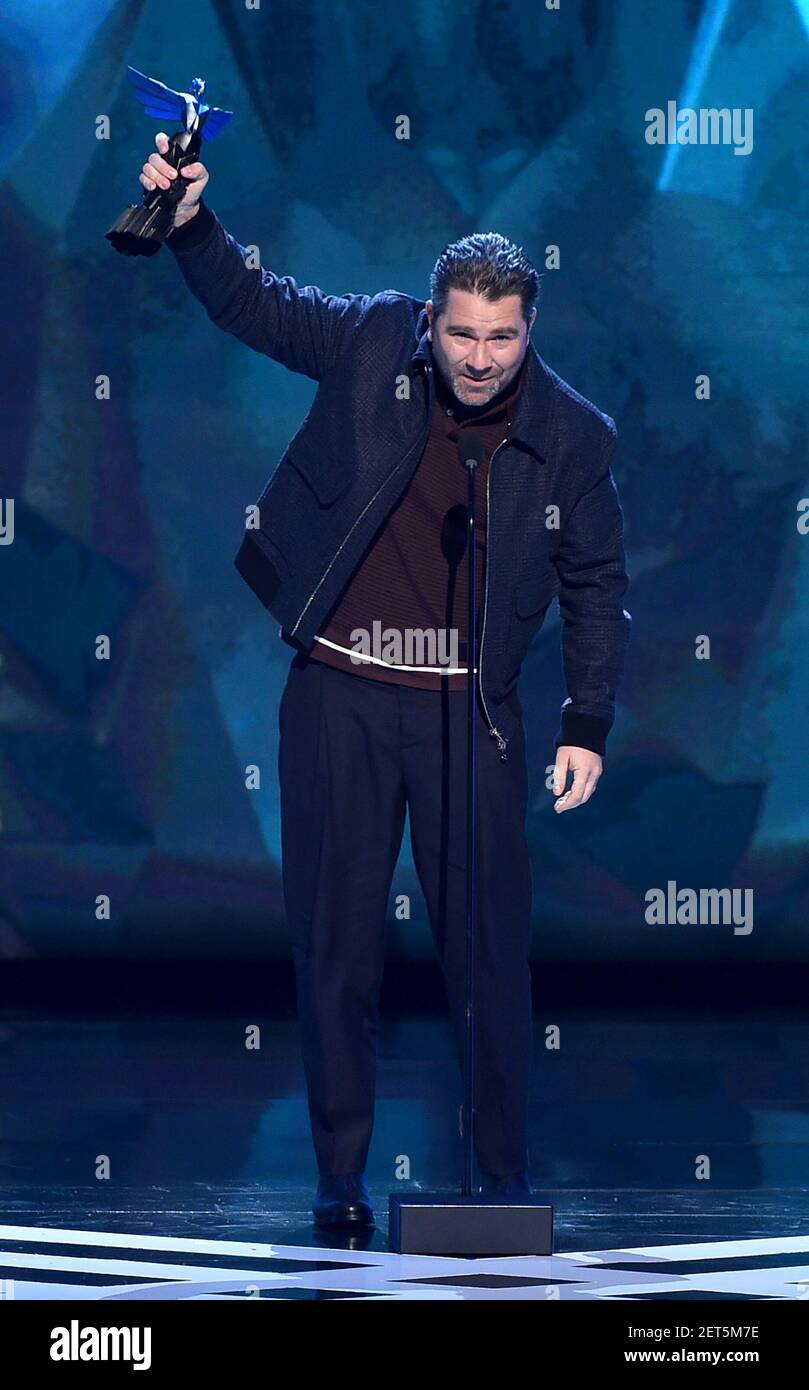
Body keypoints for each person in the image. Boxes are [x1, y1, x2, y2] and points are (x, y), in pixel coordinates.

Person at [139, 134, 632, 1229]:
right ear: (428, 317)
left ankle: (501, 1178)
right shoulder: (369, 344)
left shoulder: (571, 439)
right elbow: (253, 305)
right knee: (337, 947)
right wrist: (187, 222)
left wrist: (586, 720)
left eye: (500, 337)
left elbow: (596, 583)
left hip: (471, 715)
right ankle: (338, 1181)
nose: (477, 357)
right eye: (459, 332)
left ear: (528, 328)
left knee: (490, 962)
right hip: (341, 697)